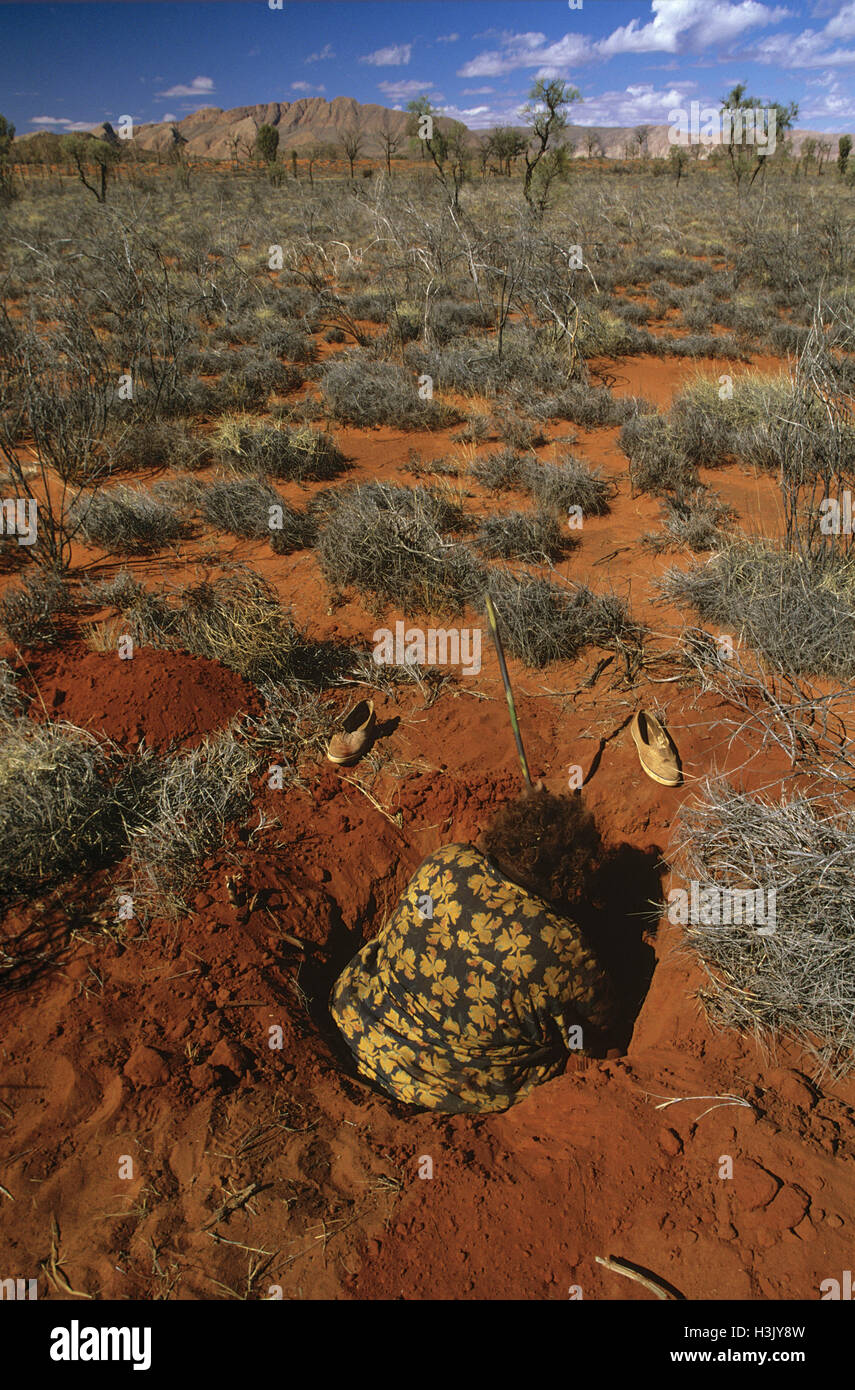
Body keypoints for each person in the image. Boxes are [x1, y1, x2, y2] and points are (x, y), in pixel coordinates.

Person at [329, 785, 619, 1113]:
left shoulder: (448, 859)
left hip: (356, 1020)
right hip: (446, 1088)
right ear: (572, 877)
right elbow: (600, 1034)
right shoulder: (558, 945)